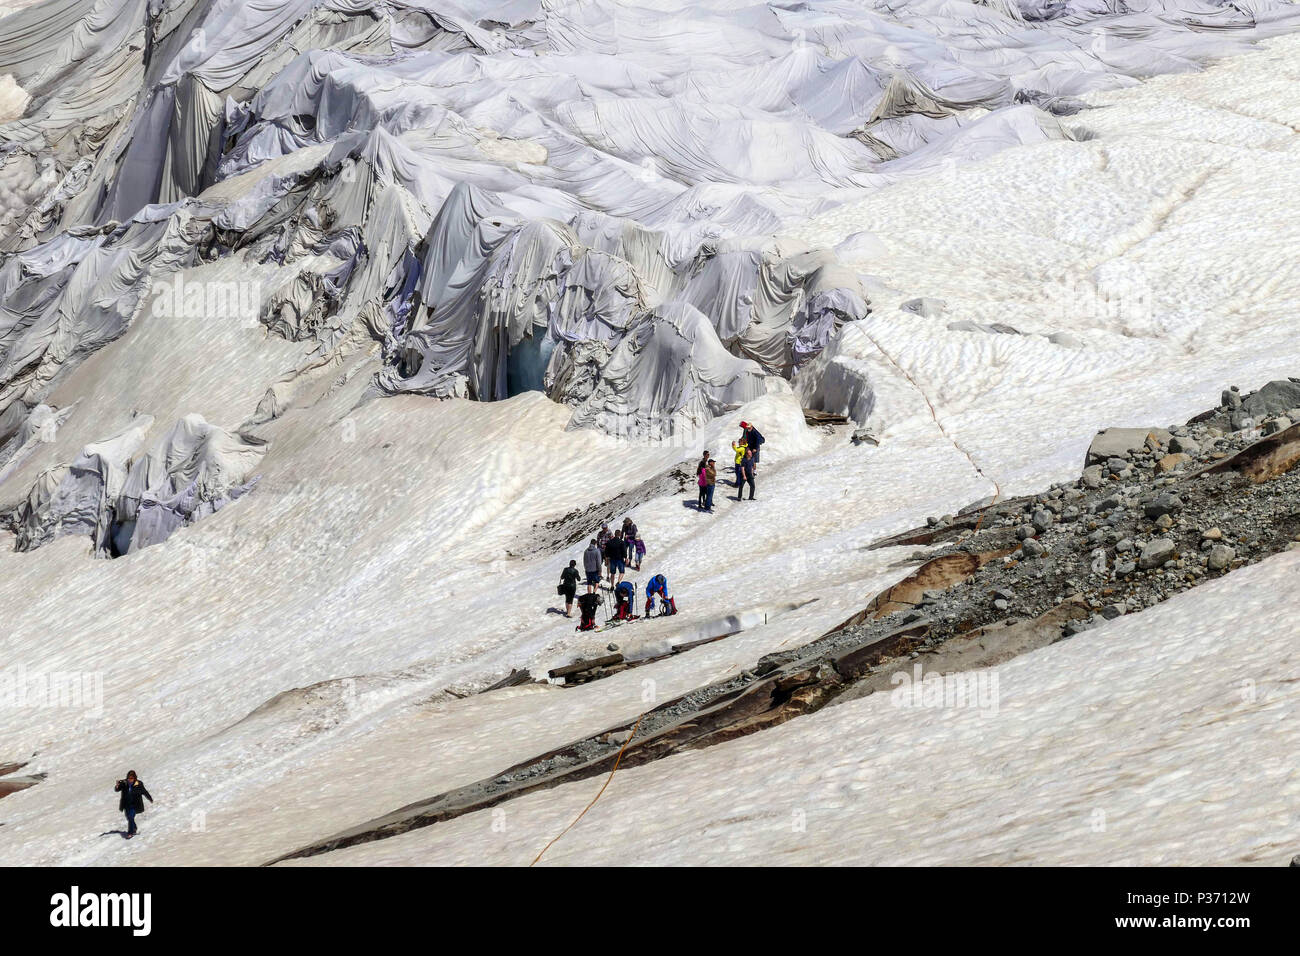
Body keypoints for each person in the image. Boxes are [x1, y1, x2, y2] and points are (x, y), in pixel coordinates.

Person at [114, 770, 153, 839]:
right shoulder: (124, 783)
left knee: (131, 817)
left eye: (132, 778)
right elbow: (117, 789)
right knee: (129, 817)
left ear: (135, 778)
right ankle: (134, 827)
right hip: (126, 804)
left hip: (135, 804)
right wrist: (117, 785)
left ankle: (130, 833)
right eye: (129, 778)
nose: (130, 780)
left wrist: (149, 798)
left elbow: (144, 791)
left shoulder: (139, 784)